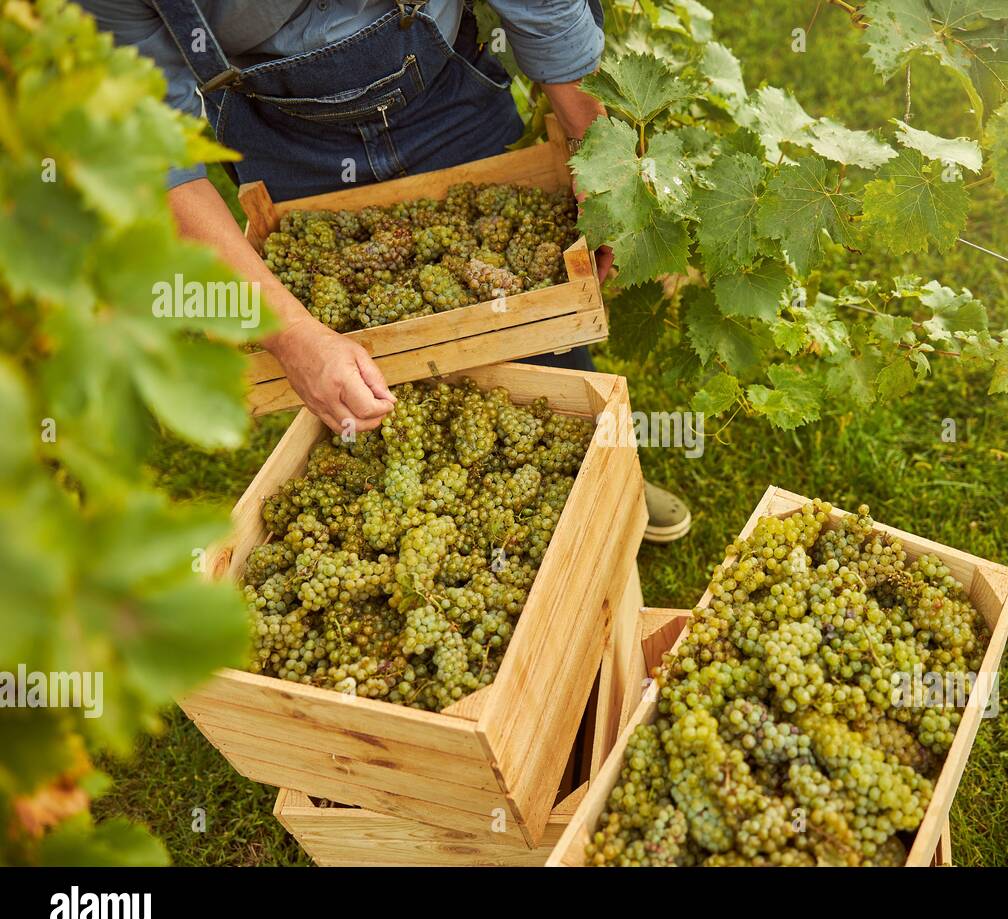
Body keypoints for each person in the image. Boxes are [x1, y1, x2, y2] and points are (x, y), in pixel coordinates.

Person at [81, 0, 691, 542]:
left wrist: (601, 157)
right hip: (279, 137)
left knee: (543, 331)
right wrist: (290, 334)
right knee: (361, 392)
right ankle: (459, 530)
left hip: (441, 92)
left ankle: (606, 486)